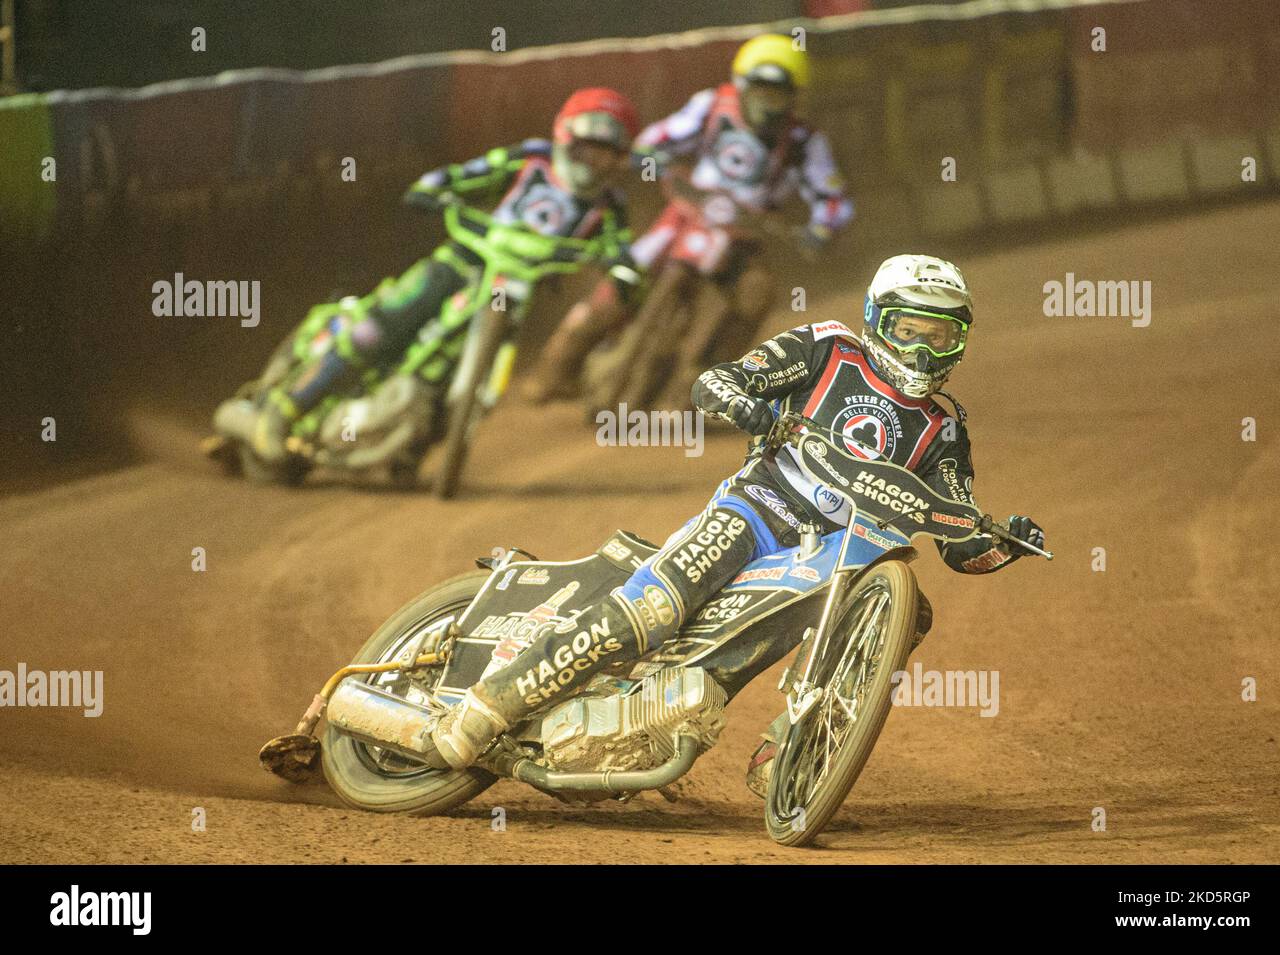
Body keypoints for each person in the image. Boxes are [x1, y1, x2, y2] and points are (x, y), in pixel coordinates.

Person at [430, 254, 1047, 798]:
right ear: (876, 321)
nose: (920, 351)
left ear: (960, 342)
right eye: (908, 331)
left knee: (911, 612)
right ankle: (494, 702)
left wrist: (1004, 544)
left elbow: (960, 542)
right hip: (758, 509)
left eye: (940, 337)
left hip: (832, 554)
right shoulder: (828, 348)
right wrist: (749, 407)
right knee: (655, 609)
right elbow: (717, 381)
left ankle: (791, 747)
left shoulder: (945, 430)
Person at [250, 88, 642, 463]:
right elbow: (466, 174)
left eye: (606, 154)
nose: (594, 161)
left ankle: (411, 446)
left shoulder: (609, 207)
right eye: (589, 148)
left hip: (516, 287)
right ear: (566, 137)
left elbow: (620, 248)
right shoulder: (528, 161)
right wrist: (435, 188)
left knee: (457, 365)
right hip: (462, 261)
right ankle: (284, 410)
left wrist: (624, 273)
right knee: (385, 324)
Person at [525, 33, 855, 403]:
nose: (767, 102)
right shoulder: (713, 106)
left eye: (777, 94)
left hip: (742, 235)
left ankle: (711, 377)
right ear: (741, 85)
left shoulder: (804, 140)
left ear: (794, 97)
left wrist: (823, 228)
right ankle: (558, 365)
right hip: (686, 213)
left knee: (756, 294)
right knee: (625, 273)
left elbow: (833, 197)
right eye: (760, 89)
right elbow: (662, 135)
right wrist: (649, 154)